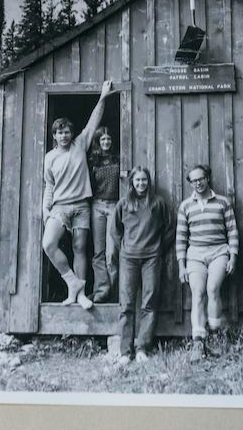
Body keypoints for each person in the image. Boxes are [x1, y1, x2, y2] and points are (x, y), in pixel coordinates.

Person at [42, 79, 113, 310]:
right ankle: (72, 282)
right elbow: (49, 185)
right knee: (49, 244)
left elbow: (94, 121)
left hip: (82, 205)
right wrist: (46, 208)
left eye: (67, 132)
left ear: (72, 133)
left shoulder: (80, 144)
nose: (64, 135)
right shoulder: (50, 158)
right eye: (60, 133)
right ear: (54, 136)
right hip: (60, 207)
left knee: (80, 248)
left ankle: (80, 295)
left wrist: (103, 96)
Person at [109, 166, 174, 364]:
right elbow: (115, 231)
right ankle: (125, 352)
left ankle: (142, 348)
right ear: (131, 182)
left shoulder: (158, 203)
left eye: (144, 180)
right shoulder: (123, 204)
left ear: (149, 182)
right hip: (129, 258)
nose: (141, 184)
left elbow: (169, 228)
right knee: (127, 304)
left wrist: (158, 248)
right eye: (137, 180)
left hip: (152, 258)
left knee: (149, 303)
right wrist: (126, 249)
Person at [176, 164, 238, 360]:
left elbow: (232, 231)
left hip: (219, 251)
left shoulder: (222, 202)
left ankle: (215, 336)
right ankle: (198, 341)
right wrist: (181, 265)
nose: (198, 183)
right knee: (198, 293)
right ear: (190, 183)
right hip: (195, 254)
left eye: (201, 179)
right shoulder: (186, 205)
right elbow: (181, 237)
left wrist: (233, 256)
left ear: (207, 178)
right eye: (193, 180)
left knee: (212, 289)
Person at [88, 126, 121, 302]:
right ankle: (101, 291)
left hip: (114, 206)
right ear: (98, 142)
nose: (106, 142)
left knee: (112, 253)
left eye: (108, 139)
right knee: (98, 253)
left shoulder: (119, 159)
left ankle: (114, 293)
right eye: (103, 139)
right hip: (97, 206)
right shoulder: (93, 162)